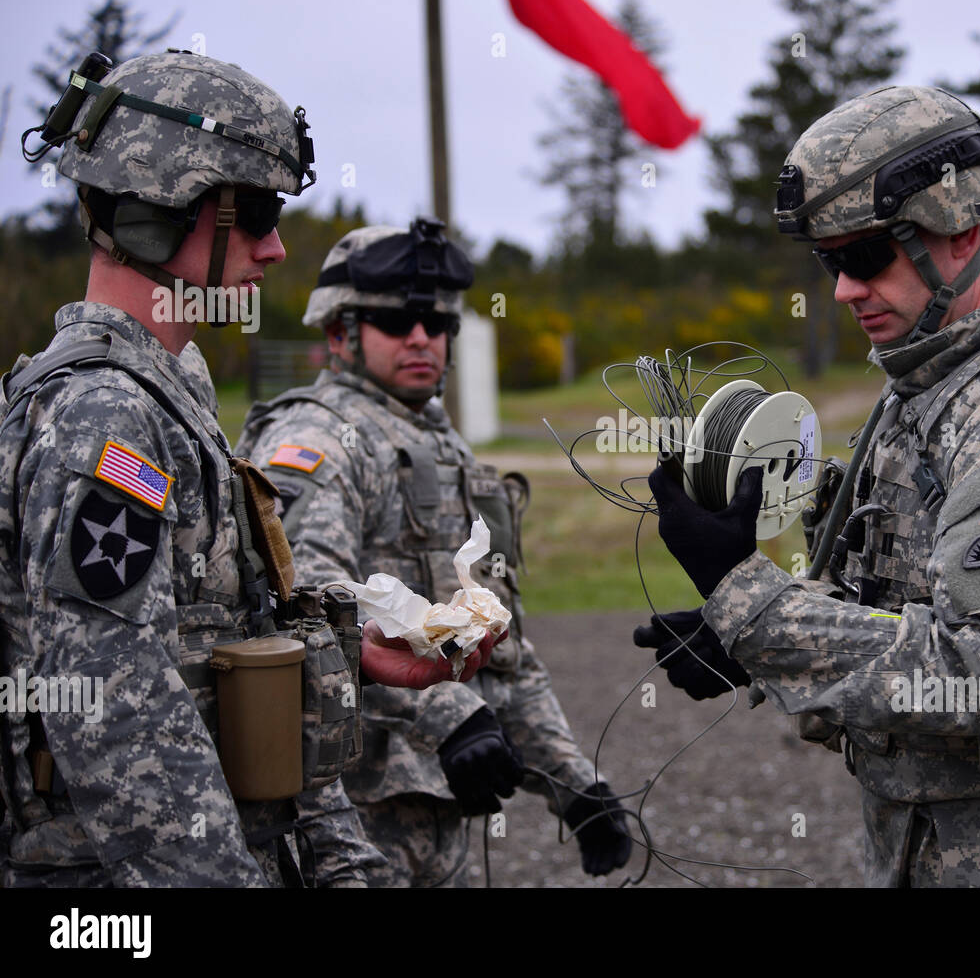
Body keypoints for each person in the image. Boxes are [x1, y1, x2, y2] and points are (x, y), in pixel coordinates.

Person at [638, 85, 980, 887]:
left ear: (960, 227)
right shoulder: (929, 392)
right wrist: (750, 647)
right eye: (831, 263)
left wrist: (749, 600)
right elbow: (909, 609)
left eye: (866, 257)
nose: (843, 289)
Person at [0, 50, 474, 888]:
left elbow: (205, 623)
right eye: (252, 212)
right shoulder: (102, 416)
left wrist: (354, 645)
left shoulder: (172, 384)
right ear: (158, 211)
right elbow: (116, 714)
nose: (278, 248)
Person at [237, 221, 633, 886]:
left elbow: (496, 643)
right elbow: (305, 603)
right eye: (395, 320)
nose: (421, 336)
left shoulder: (445, 449)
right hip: (341, 816)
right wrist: (448, 714)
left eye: (436, 320)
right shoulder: (318, 437)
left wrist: (575, 785)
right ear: (340, 332)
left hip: (435, 813)